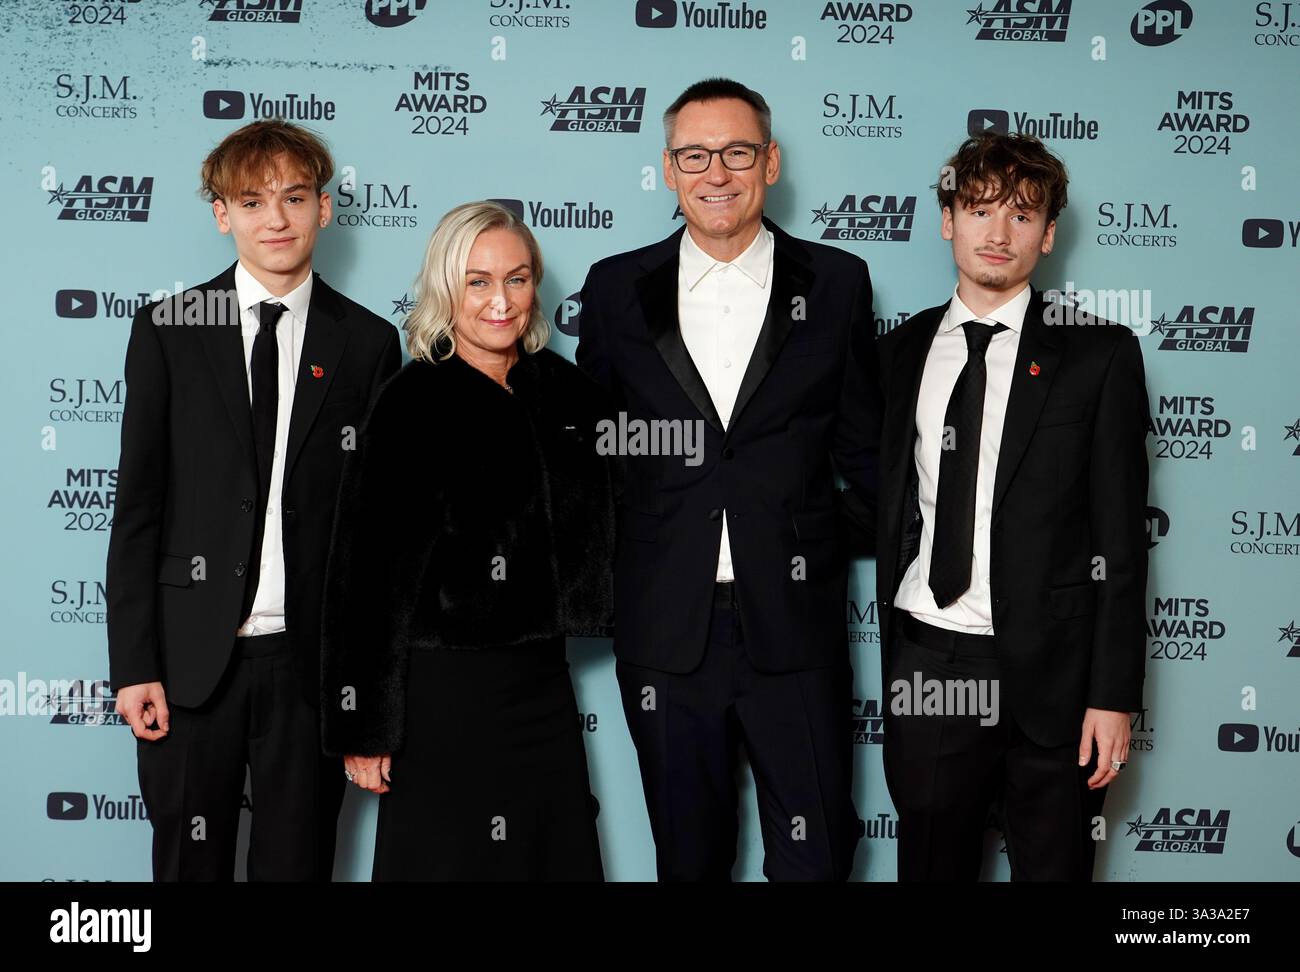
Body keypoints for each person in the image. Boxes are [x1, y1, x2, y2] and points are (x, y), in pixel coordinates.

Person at [576, 78, 881, 881]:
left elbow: (864, 453)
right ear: (669, 171)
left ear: (770, 162)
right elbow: (596, 452)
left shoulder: (838, 281)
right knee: (690, 857)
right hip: (667, 629)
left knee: (817, 858)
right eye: (695, 155)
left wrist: (808, 529)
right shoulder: (615, 288)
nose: (718, 173)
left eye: (738, 152)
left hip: (795, 620)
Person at [106, 119, 401, 881]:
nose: (276, 219)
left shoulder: (368, 344)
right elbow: (138, 506)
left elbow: (376, 541)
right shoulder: (168, 329)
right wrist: (134, 664)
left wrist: (367, 694)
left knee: (297, 868)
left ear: (324, 210)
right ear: (221, 214)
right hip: (189, 667)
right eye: (252, 200)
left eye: (295, 198)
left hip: (309, 671)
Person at [875, 131, 1150, 881]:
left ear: (1050, 234)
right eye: (979, 209)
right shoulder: (897, 356)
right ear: (947, 219)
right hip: (931, 657)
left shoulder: (1100, 354)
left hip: (1056, 680)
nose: (998, 234)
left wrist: (1113, 696)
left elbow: (1122, 543)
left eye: (1022, 216)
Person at [321, 201, 613, 881]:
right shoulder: (411, 400)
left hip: (542, 685)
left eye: (516, 278)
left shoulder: (567, 393)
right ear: (445, 288)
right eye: (478, 281)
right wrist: (364, 726)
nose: (500, 301)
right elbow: (364, 575)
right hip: (441, 697)